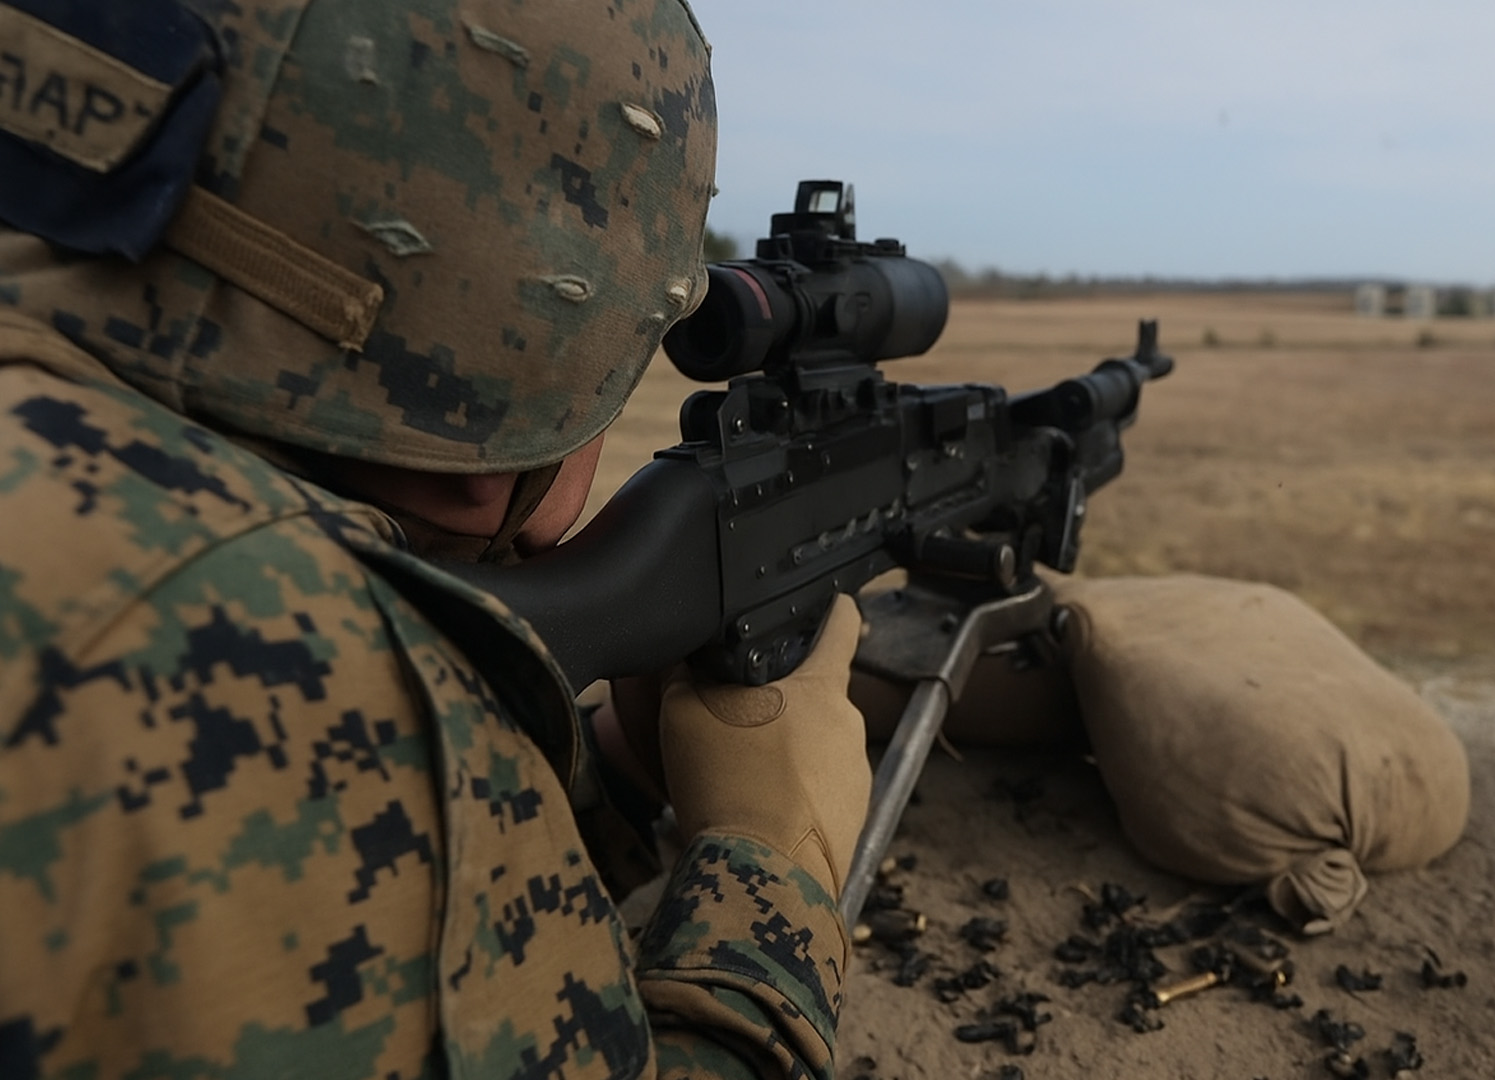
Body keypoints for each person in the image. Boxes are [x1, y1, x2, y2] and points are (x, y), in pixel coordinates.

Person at [0, 0, 871, 1077]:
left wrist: (617, 767)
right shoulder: (261, 632)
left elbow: (368, 922)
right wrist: (777, 860)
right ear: (517, 364)